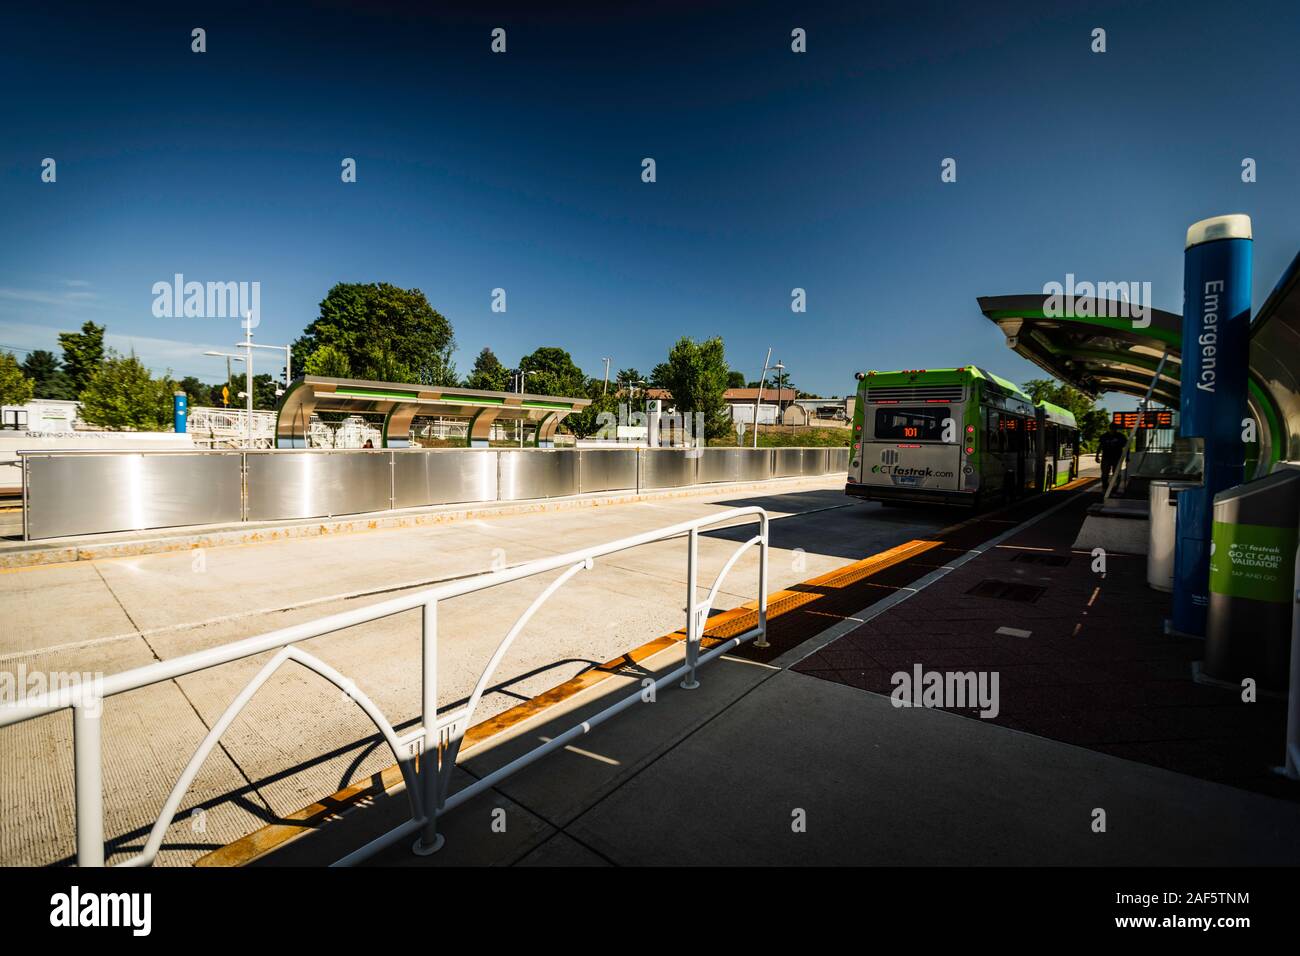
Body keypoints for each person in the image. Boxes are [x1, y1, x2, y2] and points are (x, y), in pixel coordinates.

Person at [1096, 425, 1128, 493]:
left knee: (1116, 473)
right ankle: (1105, 486)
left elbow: (1127, 447)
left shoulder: (1121, 436)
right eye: (1112, 428)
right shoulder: (1104, 436)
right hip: (1106, 457)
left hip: (1117, 458)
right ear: (1109, 428)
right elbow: (1100, 446)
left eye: (1114, 428)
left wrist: (1127, 457)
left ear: (1116, 429)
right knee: (1104, 473)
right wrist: (1097, 456)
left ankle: (1116, 487)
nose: (1113, 429)